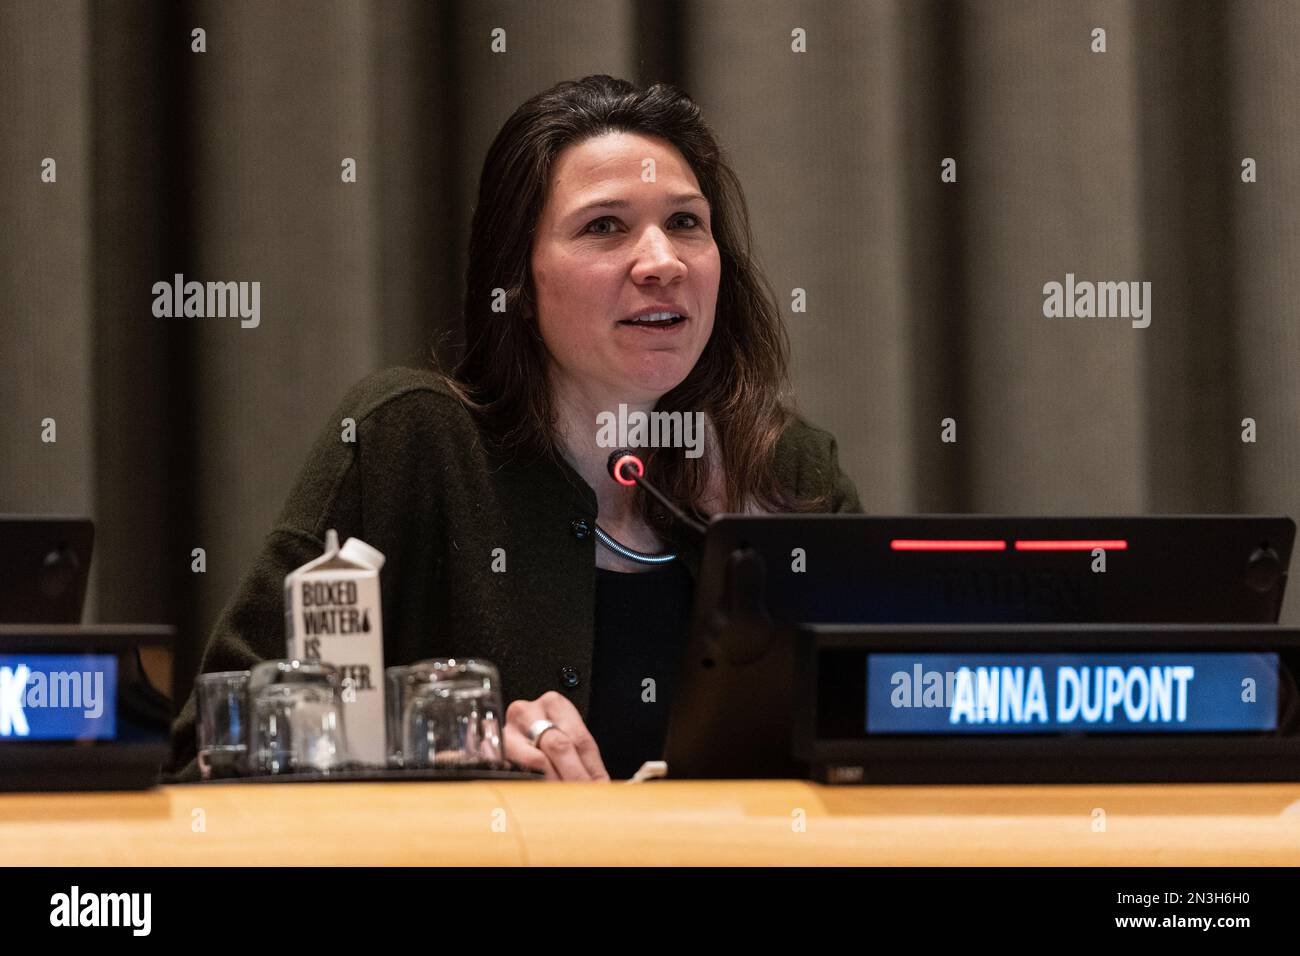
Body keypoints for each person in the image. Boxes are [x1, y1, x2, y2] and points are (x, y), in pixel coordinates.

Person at [167, 74, 862, 782]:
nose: (662, 262)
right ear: (519, 286)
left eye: (685, 222)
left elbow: (876, 755)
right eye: (604, 227)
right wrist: (447, 758)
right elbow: (206, 753)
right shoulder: (406, 443)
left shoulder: (787, 470)